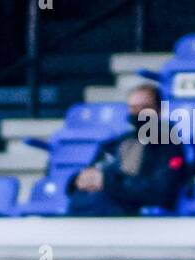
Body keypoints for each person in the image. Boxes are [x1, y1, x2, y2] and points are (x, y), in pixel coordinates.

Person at [67, 83, 188, 217]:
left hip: (134, 216)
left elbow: (161, 191)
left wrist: (107, 182)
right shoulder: (115, 143)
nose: (138, 113)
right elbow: (92, 171)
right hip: (98, 207)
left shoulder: (169, 146)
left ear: (158, 110)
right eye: (133, 108)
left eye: (144, 108)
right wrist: (79, 180)